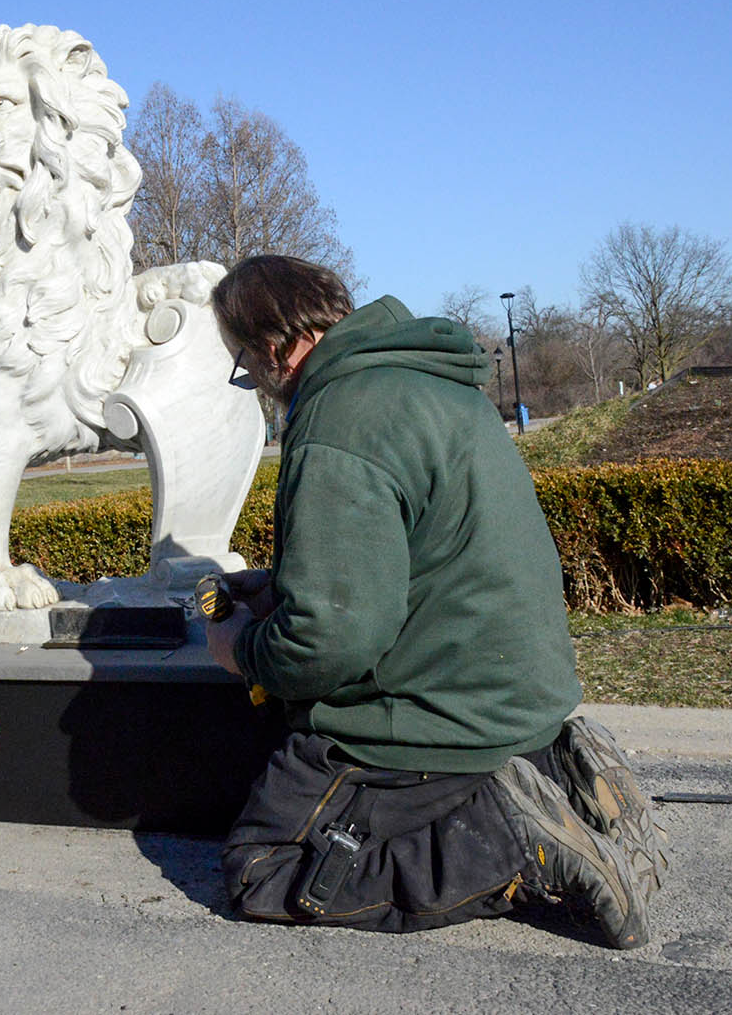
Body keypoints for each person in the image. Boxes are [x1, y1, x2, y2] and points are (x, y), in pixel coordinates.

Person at [204, 256, 668, 947]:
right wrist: (285, 582)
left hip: (441, 719)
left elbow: (328, 642)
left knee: (265, 868)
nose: (255, 382)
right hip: (517, 698)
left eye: (245, 364)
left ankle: (512, 842)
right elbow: (421, 551)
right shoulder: (422, 381)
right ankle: (558, 775)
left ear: (274, 346)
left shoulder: (341, 416)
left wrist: (240, 650)